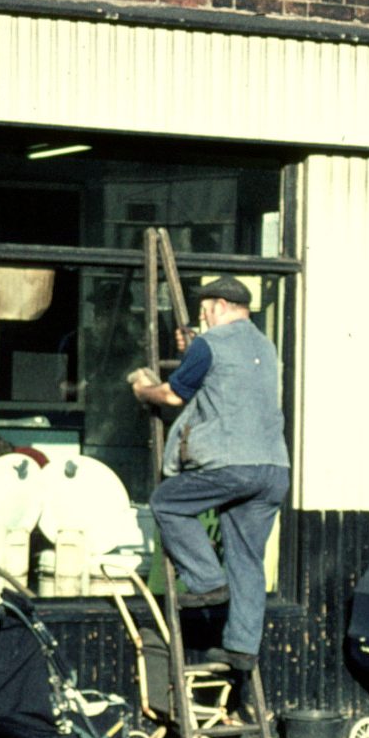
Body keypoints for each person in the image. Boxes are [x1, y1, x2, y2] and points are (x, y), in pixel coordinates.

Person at [129, 276, 290, 675]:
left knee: (166, 502)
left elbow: (172, 396)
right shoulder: (264, 346)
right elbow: (222, 379)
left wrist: (142, 389)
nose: (202, 320)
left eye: (204, 312)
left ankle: (205, 581)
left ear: (218, 306)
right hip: (273, 469)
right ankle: (241, 649)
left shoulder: (210, 344)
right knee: (247, 558)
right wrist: (194, 349)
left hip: (230, 465)